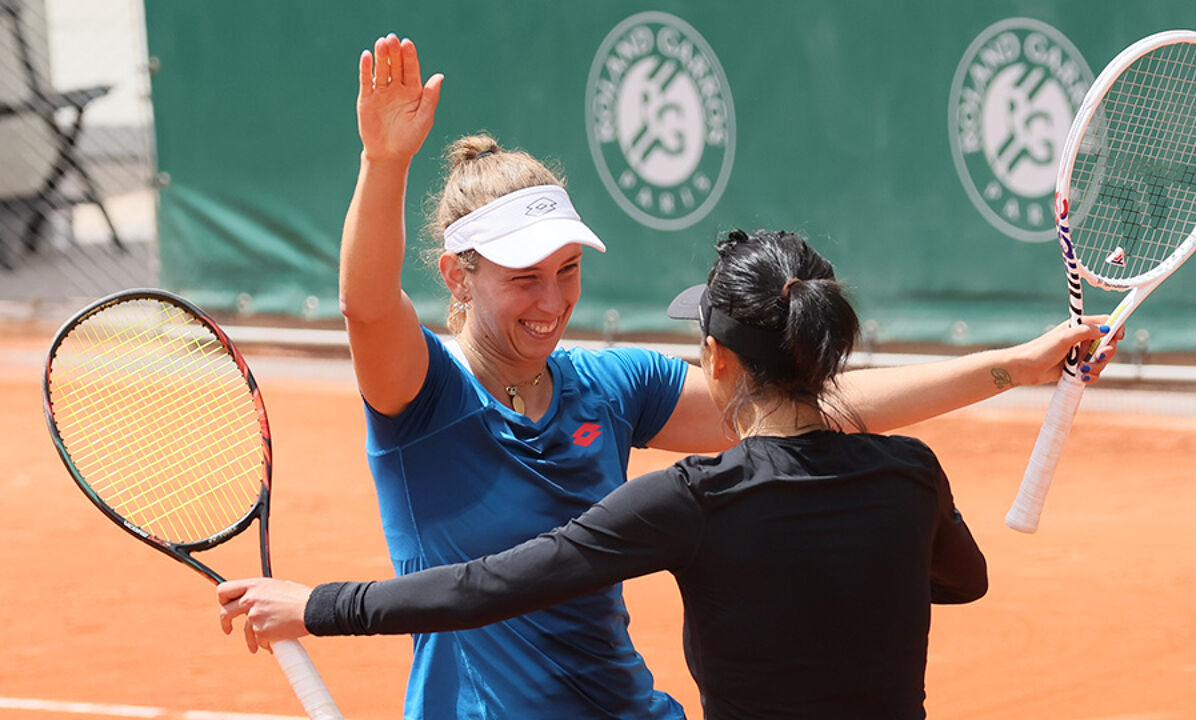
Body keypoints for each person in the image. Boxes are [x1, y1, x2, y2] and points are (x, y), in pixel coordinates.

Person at [250, 33, 1119, 720]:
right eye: (523, 278)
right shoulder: (420, 393)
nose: (552, 302)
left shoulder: (611, 385)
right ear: (458, 277)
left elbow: (805, 404)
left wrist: (1012, 367)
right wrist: (385, 164)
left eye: (567, 270)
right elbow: (366, 306)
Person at [220, 228, 988, 719]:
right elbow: (963, 581)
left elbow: (488, 587)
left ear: (717, 362)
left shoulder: (693, 502)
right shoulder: (912, 474)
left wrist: (318, 605)